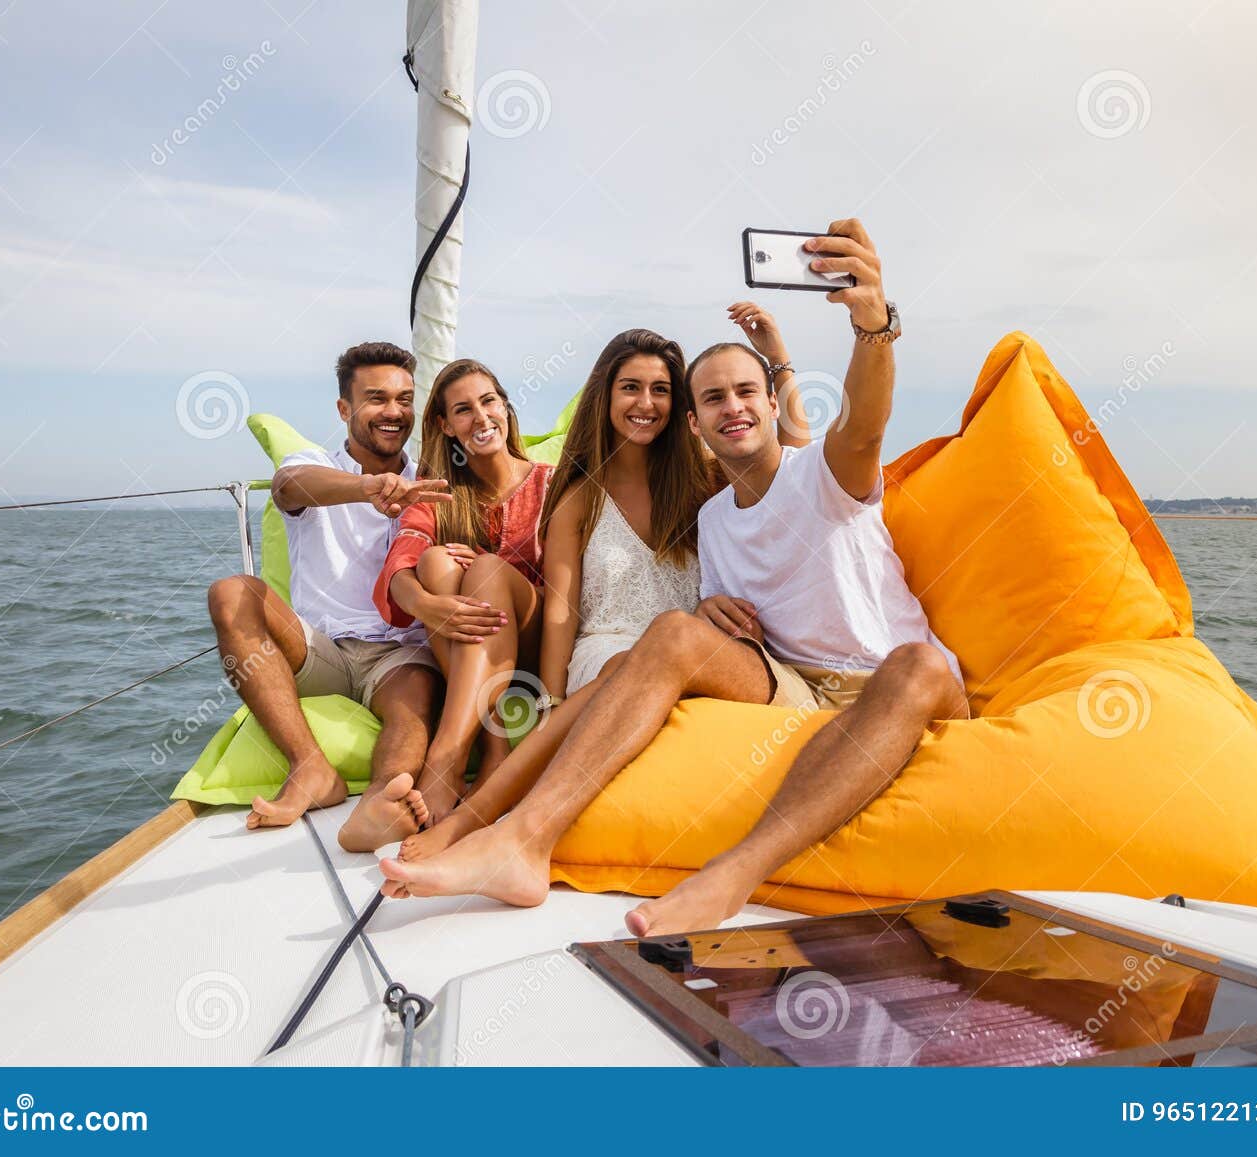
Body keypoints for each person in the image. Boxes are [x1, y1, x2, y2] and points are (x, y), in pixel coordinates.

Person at [379, 219, 969, 938]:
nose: (733, 408)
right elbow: (589, 604)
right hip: (795, 686)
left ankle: (731, 874)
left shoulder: (825, 473)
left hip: (897, 682)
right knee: (671, 632)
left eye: (747, 392)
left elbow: (865, 425)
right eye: (713, 399)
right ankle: (519, 841)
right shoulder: (710, 514)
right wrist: (708, 611)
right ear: (694, 424)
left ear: (774, 400)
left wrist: (871, 324)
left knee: (918, 663)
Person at [397, 313, 810, 863]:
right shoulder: (579, 495)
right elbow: (562, 611)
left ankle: (492, 820)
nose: (646, 402)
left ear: (682, 408)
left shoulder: (706, 479)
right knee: (624, 665)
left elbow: (794, 469)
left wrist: (778, 360)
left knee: (658, 653)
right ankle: (480, 808)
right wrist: (550, 702)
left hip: (689, 648)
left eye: (661, 390)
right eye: (630, 387)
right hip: (604, 651)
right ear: (606, 396)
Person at [206, 341, 448, 848]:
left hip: (399, 654)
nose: (394, 411)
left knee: (415, 697)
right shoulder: (315, 463)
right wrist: (368, 487)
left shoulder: (432, 477)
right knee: (231, 592)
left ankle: (382, 801)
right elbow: (289, 486)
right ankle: (311, 767)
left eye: (404, 399)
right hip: (320, 650)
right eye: (376, 398)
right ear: (344, 408)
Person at [357, 358, 551, 837]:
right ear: (445, 426)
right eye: (463, 410)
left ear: (505, 407)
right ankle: (494, 748)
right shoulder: (439, 493)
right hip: (471, 656)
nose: (481, 418)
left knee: (483, 568)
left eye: (489, 402)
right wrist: (429, 606)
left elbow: (574, 588)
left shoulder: (552, 482)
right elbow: (399, 568)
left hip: (540, 643)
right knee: (434, 562)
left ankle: (447, 757)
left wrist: (492, 573)